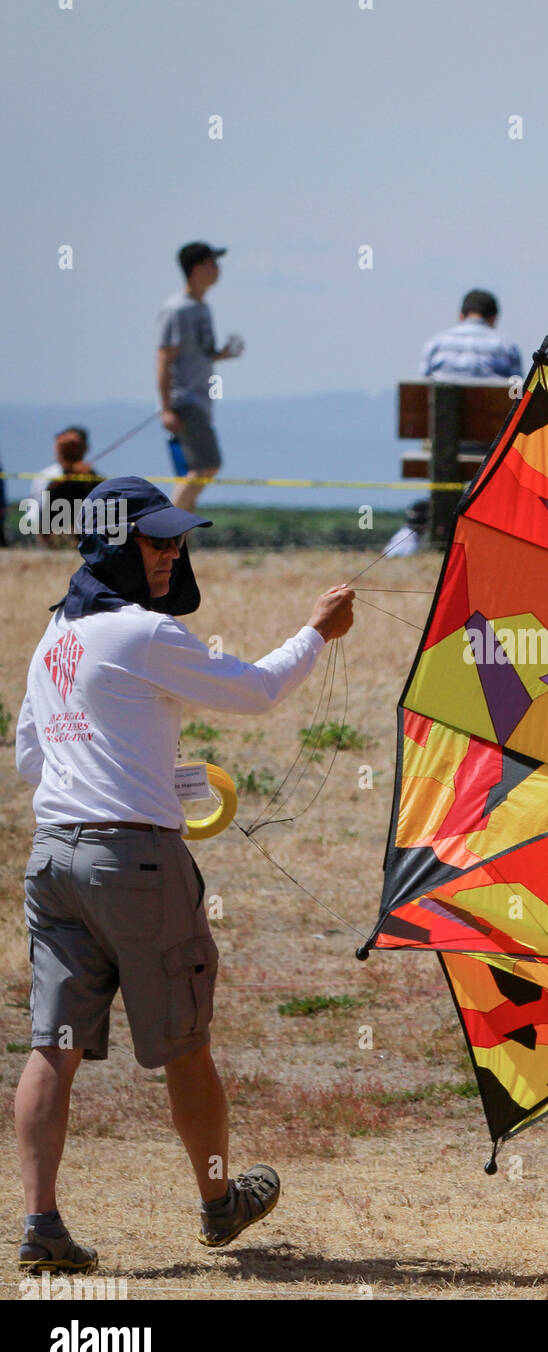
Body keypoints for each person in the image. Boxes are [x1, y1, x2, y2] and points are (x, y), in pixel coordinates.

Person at [13, 476, 355, 1273]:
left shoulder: (52, 639)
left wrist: (140, 768)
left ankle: (41, 1226)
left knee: (51, 1045)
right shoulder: (142, 634)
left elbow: (35, 757)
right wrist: (317, 632)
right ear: (112, 544)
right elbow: (260, 689)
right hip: (134, 862)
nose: (172, 554)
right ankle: (217, 1203)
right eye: (156, 540)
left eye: (176, 541)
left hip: (52, 857)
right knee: (185, 1043)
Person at [156, 242, 244, 515]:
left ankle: (177, 542)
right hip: (186, 401)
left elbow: (199, 354)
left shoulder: (202, 308)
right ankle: (164, 530)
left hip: (201, 402)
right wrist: (166, 408)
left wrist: (224, 355)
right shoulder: (176, 309)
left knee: (195, 471)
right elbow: (163, 358)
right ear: (196, 268)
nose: (217, 269)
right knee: (207, 465)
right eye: (212, 263)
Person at [419, 289, 522, 380]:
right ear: (493, 318)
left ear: (461, 316)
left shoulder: (435, 344)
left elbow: (422, 387)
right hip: (492, 401)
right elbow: (517, 392)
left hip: (444, 402)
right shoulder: (507, 347)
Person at [29, 428, 98, 546]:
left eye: (73, 446)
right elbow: (35, 510)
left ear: (84, 448)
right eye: (63, 446)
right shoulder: (46, 477)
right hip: (52, 540)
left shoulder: (93, 477)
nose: (68, 451)